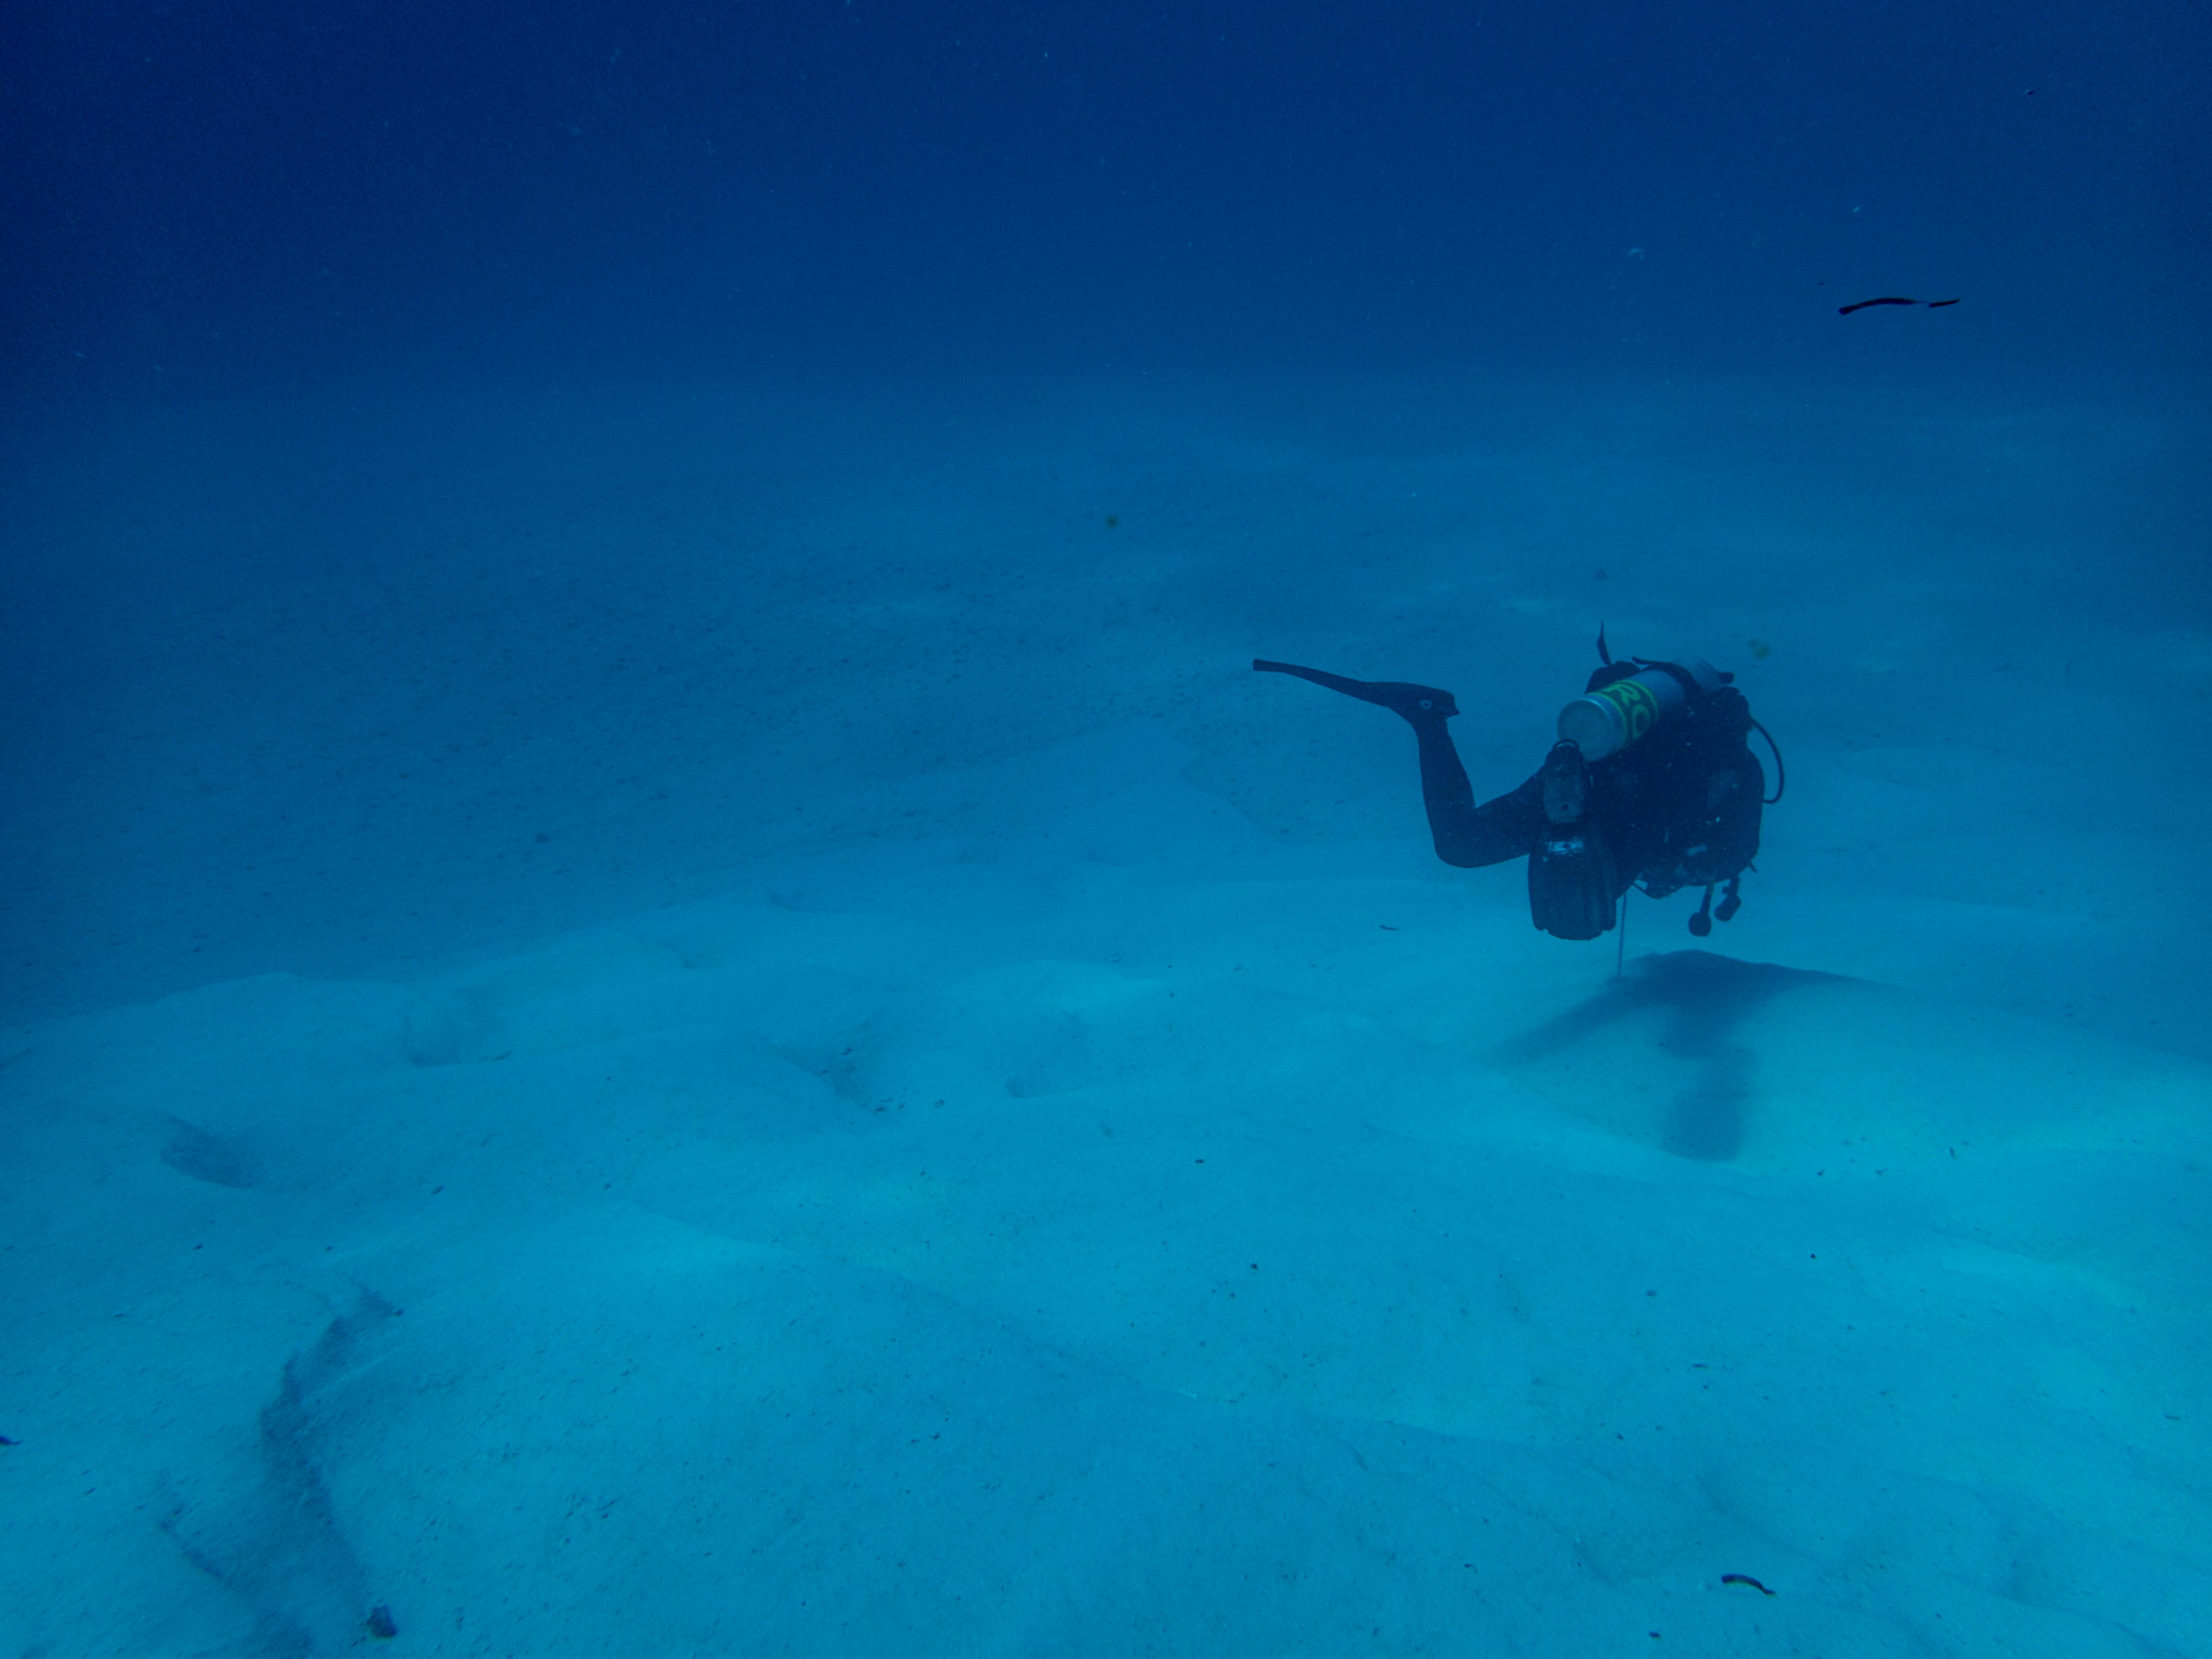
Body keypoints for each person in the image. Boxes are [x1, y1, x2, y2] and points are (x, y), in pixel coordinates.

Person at [1254, 638, 1776, 940]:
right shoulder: (1736, 767)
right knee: (1584, 905)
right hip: (1619, 810)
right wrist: (1681, 869)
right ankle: (1431, 723)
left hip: (1588, 774)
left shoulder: (1700, 758)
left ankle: (1428, 720)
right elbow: (1737, 851)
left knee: (1462, 843)